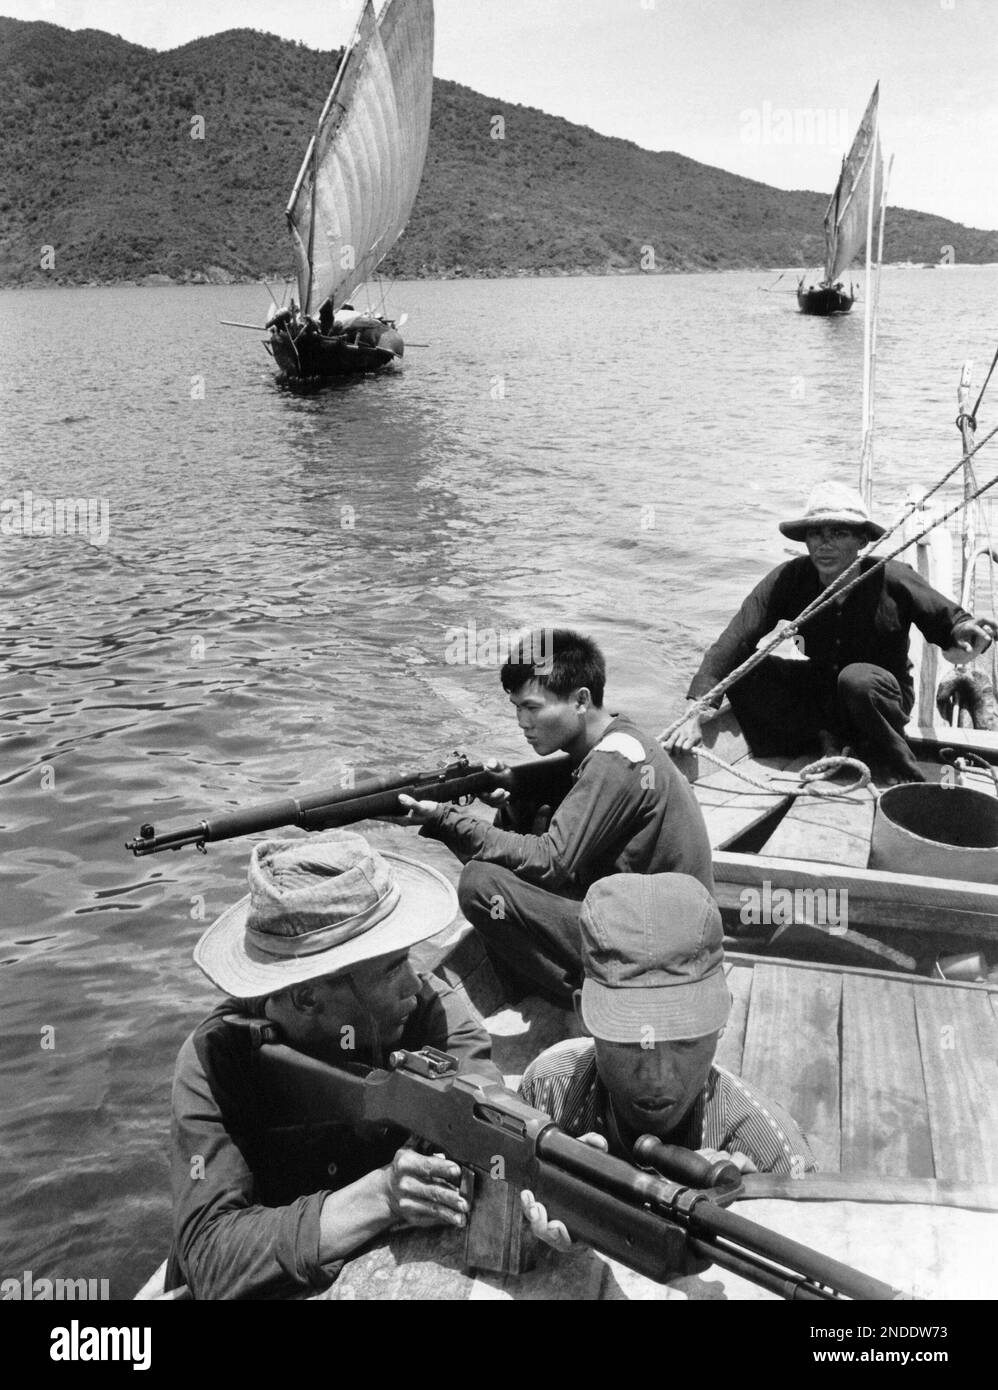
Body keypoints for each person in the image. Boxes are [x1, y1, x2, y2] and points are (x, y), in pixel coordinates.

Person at [166, 830, 501, 1300]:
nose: (415, 982)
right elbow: (211, 1258)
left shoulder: (430, 1011)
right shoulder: (218, 1061)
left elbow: (492, 1123)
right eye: (391, 967)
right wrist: (381, 1196)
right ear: (306, 998)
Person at [397, 629, 714, 1006]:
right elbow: (559, 797)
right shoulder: (621, 740)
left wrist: (443, 818)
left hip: (666, 953)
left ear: (580, 700)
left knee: (480, 884)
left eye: (532, 708)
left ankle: (587, 998)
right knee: (528, 812)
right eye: (516, 708)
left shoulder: (617, 760)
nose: (522, 722)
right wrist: (512, 791)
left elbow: (551, 861)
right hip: (668, 930)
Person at [519, 873, 816, 1252]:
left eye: (686, 1039)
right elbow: (500, 1199)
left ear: (722, 1020)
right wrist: (538, 1222)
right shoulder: (546, 1092)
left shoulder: (776, 1156)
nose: (657, 1075)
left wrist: (755, 1208)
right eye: (630, 1038)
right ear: (584, 1017)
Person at [666, 481, 994, 784]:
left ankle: (901, 768)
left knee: (856, 679)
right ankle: (828, 736)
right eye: (816, 534)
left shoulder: (892, 577)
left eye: (838, 533)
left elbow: (948, 621)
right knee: (746, 668)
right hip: (820, 693)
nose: (824, 544)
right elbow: (735, 638)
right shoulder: (790, 578)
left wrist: (965, 631)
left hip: (880, 696)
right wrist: (695, 710)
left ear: (862, 541)